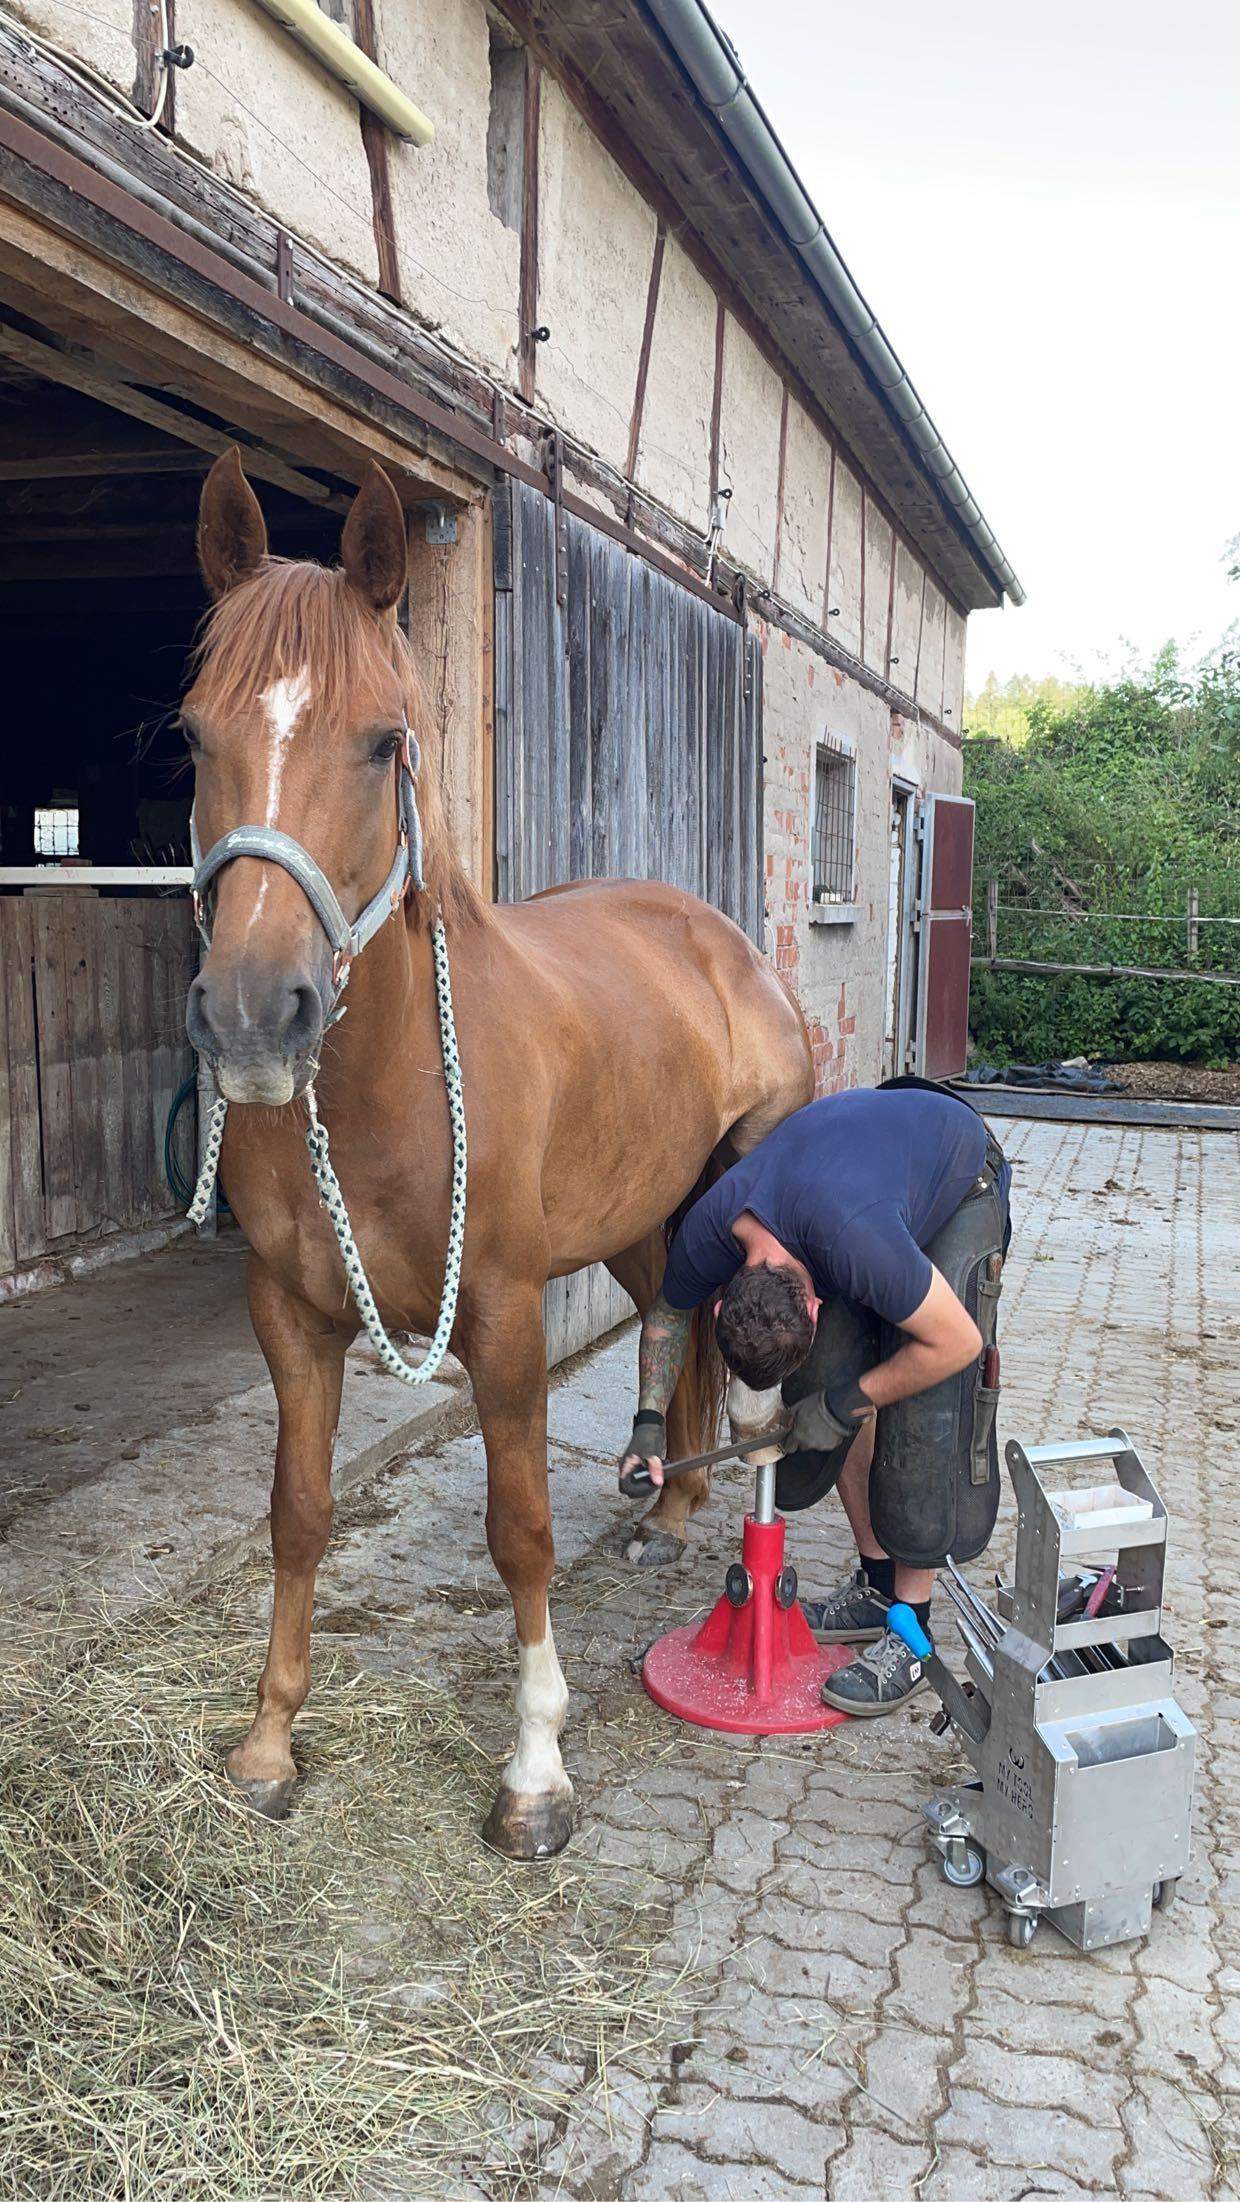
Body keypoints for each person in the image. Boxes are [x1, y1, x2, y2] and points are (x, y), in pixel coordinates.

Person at [617, 1081, 1011, 1716]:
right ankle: (878, 1587)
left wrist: (844, 1403)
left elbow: (958, 1343)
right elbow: (666, 1315)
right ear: (727, 1291)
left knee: (922, 1407)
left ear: (813, 1304)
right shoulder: (708, 1232)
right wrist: (647, 1422)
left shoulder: (857, 1242)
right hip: (858, 1178)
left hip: (960, 1177)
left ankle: (911, 1628)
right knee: (833, 1381)